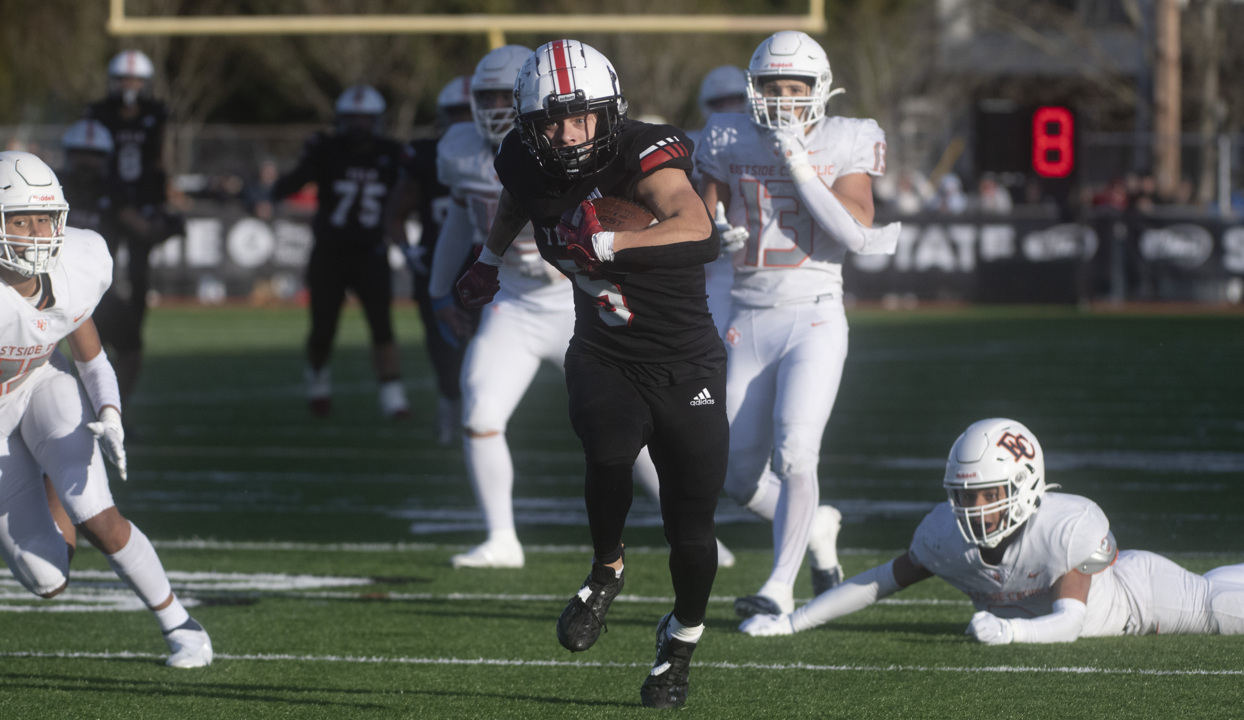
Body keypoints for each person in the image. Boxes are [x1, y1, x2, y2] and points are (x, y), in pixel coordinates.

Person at [454, 40, 727, 709]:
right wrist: (488, 258)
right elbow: (524, 199)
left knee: (691, 532)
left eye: (585, 117)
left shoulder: (645, 151)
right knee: (608, 451)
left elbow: (700, 229)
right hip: (603, 350)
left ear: (612, 112)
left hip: (684, 359)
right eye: (555, 121)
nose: (572, 134)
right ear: (529, 125)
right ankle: (606, 570)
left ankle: (681, 642)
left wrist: (615, 241)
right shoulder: (521, 158)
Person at [695, 31, 900, 619]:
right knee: (736, 477)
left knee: (796, 455)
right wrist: (711, 228)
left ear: (819, 89)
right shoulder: (728, 133)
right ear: (752, 89)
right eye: (771, 87)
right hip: (747, 315)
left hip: (813, 312)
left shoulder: (847, 136)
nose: (783, 99)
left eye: (795, 87)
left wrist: (801, 168)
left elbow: (857, 228)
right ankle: (817, 524)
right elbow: (695, 208)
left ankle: (779, 588)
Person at [741, 418, 1244, 641]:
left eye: (986, 494)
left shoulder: (1064, 526)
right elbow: (879, 582)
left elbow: (1069, 623)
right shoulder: (945, 535)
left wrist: (1008, 631)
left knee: (1218, 608)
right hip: (1115, 599)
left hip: (1143, 599)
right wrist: (793, 621)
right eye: (962, 495)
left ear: (1025, 486)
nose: (972, 508)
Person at [0, 151, 212, 667]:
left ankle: (182, 626)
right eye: (19, 219)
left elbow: (92, 360)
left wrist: (112, 414)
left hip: (43, 385)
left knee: (97, 513)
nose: (34, 231)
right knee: (47, 579)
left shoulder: (77, 265)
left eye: (43, 217)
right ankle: (44, 473)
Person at [271, 85, 411, 419]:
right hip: (330, 252)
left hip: (371, 250)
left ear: (377, 121)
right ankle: (317, 380)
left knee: (382, 326)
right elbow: (288, 184)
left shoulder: (392, 153)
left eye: (366, 118)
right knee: (323, 329)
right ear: (340, 120)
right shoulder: (327, 149)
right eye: (352, 118)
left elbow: (410, 194)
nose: (359, 125)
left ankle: (392, 395)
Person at [83, 50, 179, 409]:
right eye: (125, 79)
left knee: (139, 275)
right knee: (97, 265)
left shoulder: (155, 114)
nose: (129, 87)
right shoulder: (100, 113)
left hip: (139, 200)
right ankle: (97, 322)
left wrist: (165, 197)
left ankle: (126, 331)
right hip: (108, 200)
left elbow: (159, 158)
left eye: (135, 80)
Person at [384, 76, 476, 445]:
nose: (464, 120)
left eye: (470, 112)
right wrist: (408, 253)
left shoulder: (506, 153)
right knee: (445, 351)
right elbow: (395, 212)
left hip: (490, 266)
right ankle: (451, 402)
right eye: (456, 113)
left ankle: (481, 414)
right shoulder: (426, 155)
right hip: (441, 267)